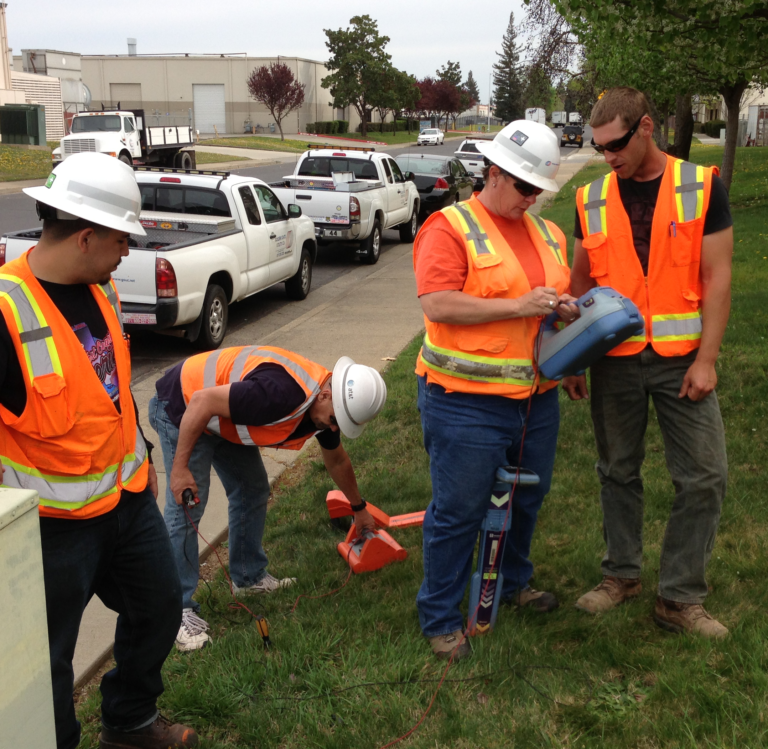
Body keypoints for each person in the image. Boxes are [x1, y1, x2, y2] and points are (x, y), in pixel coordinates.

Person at [0, 153, 197, 748]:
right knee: (48, 662)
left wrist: (143, 454)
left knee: (160, 606)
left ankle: (130, 721)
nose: (128, 252)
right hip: (51, 529)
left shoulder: (102, 288)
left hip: (127, 501)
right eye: (122, 238)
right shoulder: (6, 313)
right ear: (86, 237)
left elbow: (109, 389)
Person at [564, 87, 732, 638]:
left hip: (682, 360)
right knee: (617, 472)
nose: (607, 157)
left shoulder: (702, 185)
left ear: (645, 129)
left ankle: (680, 598)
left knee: (705, 476)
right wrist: (573, 358)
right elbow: (581, 285)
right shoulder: (589, 199)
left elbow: (718, 277)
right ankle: (621, 576)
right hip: (614, 361)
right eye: (599, 148)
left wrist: (706, 359)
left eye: (615, 145)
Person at [413, 120, 579, 661]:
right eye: (525, 187)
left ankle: (512, 583)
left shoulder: (548, 233)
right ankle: (440, 616)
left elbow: (552, 299)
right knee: (458, 511)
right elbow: (438, 304)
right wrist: (520, 305)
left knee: (527, 498)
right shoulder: (448, 227)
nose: (531, 200)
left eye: (539, 191)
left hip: (536, 399)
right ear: (494, 172)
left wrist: (565, 310)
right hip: (464, 403)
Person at [149, 347, 387, 651]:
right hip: (182, 405)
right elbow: (202, 401)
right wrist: (180, 469)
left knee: (252, 488)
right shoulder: (277, 395)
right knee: (188, 505)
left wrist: (359, 509)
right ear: (327, 396)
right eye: (335, 420)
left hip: (216, 414)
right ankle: (175, 612)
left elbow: (337, 460)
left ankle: (248, 578)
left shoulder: (323, 407)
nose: (334, 428)